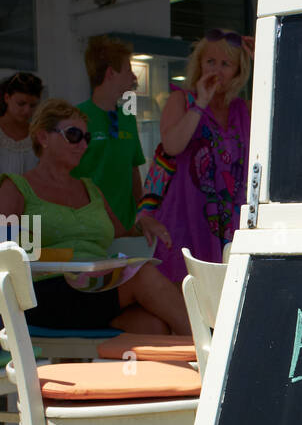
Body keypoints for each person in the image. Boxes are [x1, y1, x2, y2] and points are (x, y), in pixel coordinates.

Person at [0, 99, 189, 337]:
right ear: (43, 137)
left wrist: (142, 222)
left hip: (95, 289)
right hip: (43, 294)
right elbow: (3, 253)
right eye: (73, 135)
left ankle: (190, 353)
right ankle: (208, 351)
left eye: (87, 138)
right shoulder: (17, 188)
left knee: (151, 326)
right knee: (144, 275)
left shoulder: (90, 189)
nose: (82, 145)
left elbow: (122, 234)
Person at [138, 30, 252, 282]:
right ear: (199, 63)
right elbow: (172, 146)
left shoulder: (244, 109)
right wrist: (200, 103)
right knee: (185, 293)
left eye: (226, 64)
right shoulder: (180, 100)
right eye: (210, 61)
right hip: (186, 220)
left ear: (238, 70)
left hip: (232, 225)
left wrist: (262, 57)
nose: (217, 69)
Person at [72, 36, 146, 233]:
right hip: (90, 230)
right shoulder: (76, 118)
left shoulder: (128, 118)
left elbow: (134, 170)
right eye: (128, 70)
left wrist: (142, 216)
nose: (134, 77)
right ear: (111, 73)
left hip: (126, 229)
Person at [0, 71, 43, 176]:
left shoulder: (38, 136)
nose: (27, 110)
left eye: (33, 105)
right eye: (21, 104)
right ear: (7, 98)